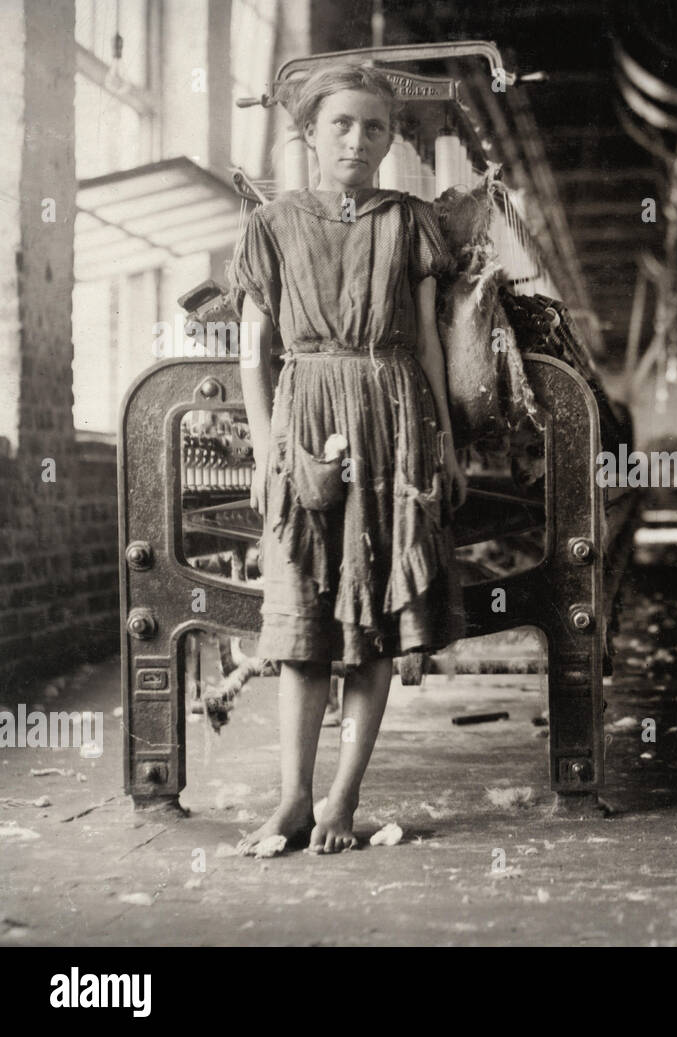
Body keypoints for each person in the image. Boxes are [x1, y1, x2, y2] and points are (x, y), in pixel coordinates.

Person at [229, 63, 468, 854]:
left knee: (376, 617)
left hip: (394, 418)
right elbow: (252, 356)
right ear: (308, 133)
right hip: (305, 414)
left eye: (373, 127)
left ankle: (342, 797)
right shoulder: (271, 225)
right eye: (341, 124)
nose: (357, 140)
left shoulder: (411, 223)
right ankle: (293, 798)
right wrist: (269, 452)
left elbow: (430, 341)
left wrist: (443, 441)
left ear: (391, 138)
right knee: (301, 619)